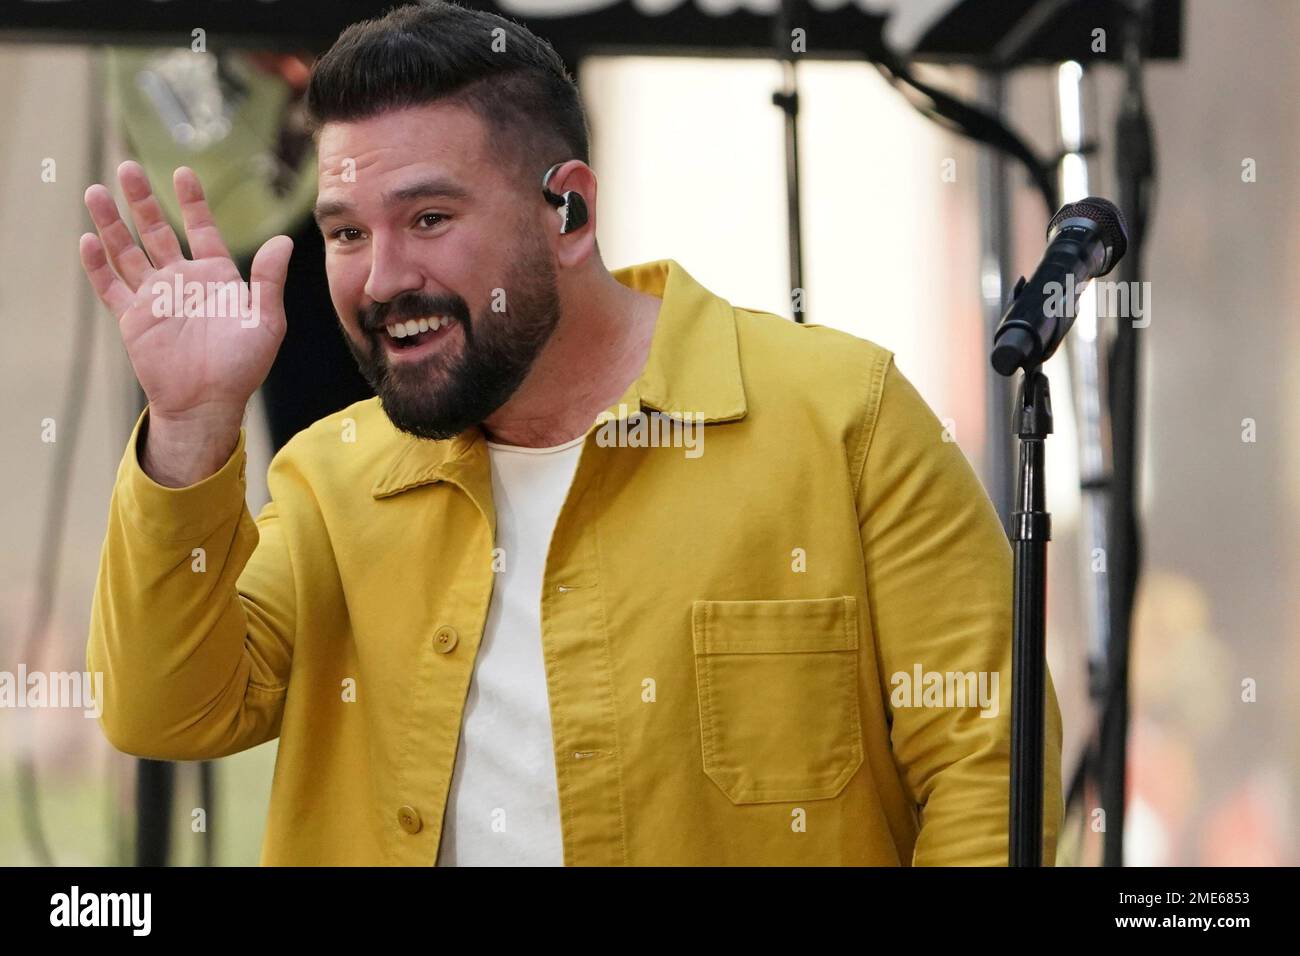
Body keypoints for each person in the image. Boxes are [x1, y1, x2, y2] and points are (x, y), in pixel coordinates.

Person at [81, 0, 1063, 866]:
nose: (380, 278)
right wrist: (191, 426)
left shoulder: (844, 417)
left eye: (428, 216)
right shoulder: (332, 478)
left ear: (570, 209)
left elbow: (989, 772)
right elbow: (165, 708)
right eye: (345, 232)